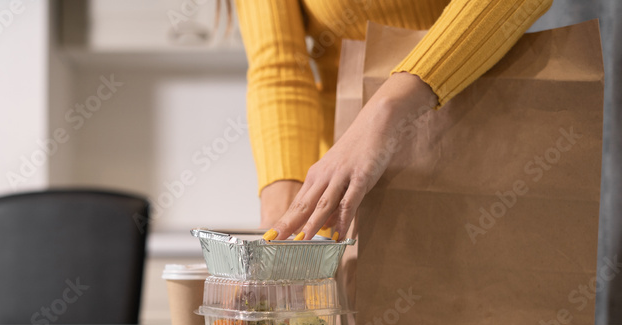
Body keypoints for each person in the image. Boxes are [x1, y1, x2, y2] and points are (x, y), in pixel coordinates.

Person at [234, 0, 552, 241]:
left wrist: (383, 111)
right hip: (349, 184)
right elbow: (280, 72)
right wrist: (281, 224)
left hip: (495, 156)